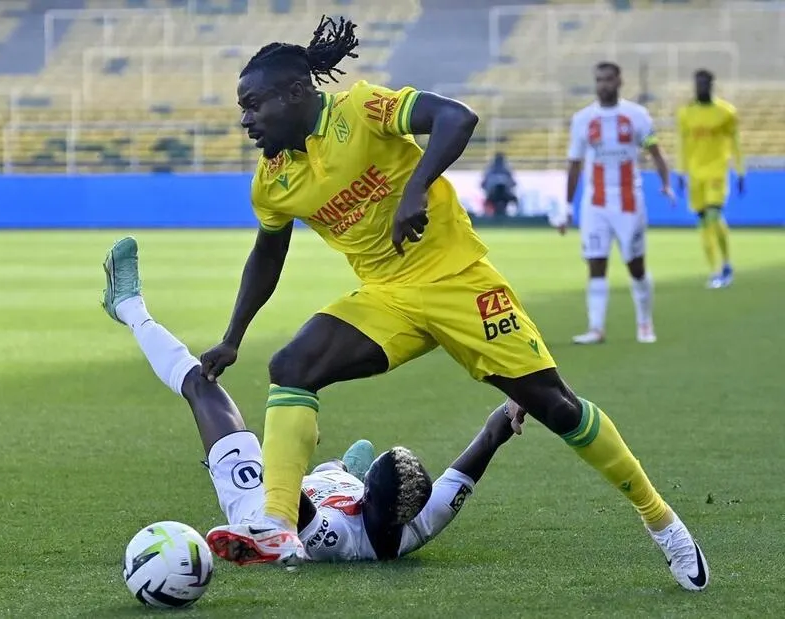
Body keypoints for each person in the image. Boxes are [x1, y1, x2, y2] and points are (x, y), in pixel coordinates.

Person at [197, 17, 708, 591]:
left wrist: (414, 189)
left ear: (295, 92)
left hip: (460, 281)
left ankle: (662, 521)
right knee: (291, 367)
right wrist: (234, 335)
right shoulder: (272, 180)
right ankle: (277, 525)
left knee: (556, 407)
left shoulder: (362, 109)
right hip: (387, 298)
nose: (245, 121)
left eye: (252, 104)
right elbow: (268, 255)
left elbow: (456, 117)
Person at [102, 236, 519, 563]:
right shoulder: (424, 513)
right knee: (328, 470)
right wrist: (517, 402)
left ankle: (129, 307)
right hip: (325, 493)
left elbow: (290, 497)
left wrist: (292, 439)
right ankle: (339, 470)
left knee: (201, 386)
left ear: (368, 496)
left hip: (264, 509)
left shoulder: (339, 540)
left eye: (366, 479)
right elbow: (484, 444)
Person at [564, 62, 674, 345]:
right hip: (596, 203)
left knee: (635, 265)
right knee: (595, 263)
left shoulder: (637, 115)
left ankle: (645, 323)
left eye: (608, 79)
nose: (603, 84)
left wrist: (666, 183)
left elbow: (655, 151)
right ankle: (596, 328)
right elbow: (574, 165)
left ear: (619, 81)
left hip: (628, 201)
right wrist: (567, 206)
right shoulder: (583, 119)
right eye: (599, 79)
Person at [676, 69, 744, 289]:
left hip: (716, 172)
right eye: (698, 83)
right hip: (695, 174)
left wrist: (740, 171)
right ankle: (714, 269)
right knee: (703, 221)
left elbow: (735, 143)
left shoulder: (726, 112)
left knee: (714, 215)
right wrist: (681, 172)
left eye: (705, 83)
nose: (701, 87)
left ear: (712, 85)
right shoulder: (686, 113)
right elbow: (683, 146)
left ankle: (726, 264)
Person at [481, 152, 518, 220]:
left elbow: (513, 183)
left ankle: (516, 216)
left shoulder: (506, 170)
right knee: (486, 202)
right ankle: (486, 216)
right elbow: (483, 184)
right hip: (494, 195)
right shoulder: (491, 170)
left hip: (504, 194)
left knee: (515, 199)